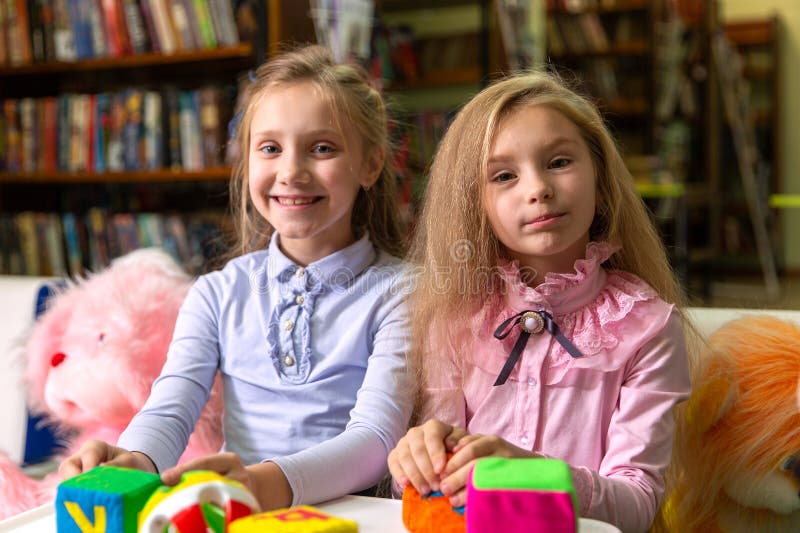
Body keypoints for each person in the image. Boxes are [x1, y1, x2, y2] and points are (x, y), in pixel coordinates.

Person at [60, 45, 414, 512]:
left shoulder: (402, 291)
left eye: (322, 148)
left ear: (370, 165)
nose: (291, 171)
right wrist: (132, 461)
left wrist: (257, 483)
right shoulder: (217, 292)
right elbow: (172, 406)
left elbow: (375, 439)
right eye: (270, 148)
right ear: (247, 163)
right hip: (239, 512)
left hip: (356, 516)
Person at [387, 71, 692, 532]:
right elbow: (434, 495)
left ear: (603, 181)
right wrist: (418, 462)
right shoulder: (451, 320)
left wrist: (532, 475)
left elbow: (637, 506)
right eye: (505, 176)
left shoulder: (647, 327)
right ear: (477, 206)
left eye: (559, 162)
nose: (538, 188)